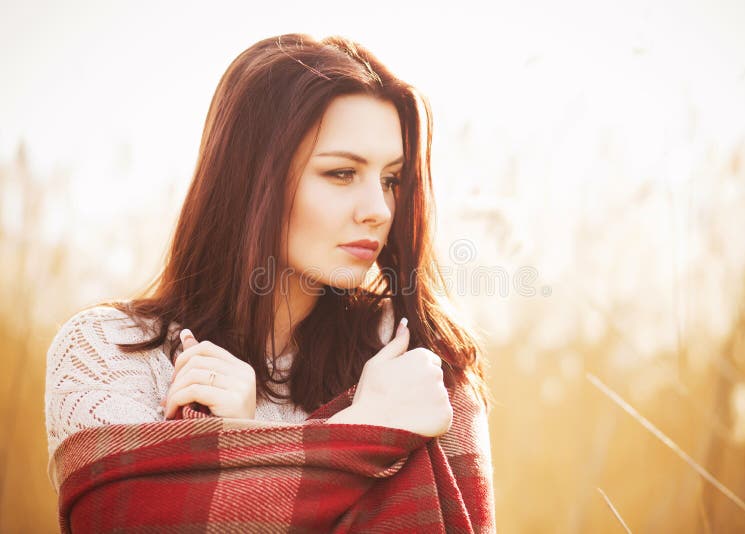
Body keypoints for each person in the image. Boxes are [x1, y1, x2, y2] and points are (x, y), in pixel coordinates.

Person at [45, 33, 495, 531]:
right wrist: (363, 431)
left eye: (391, 179)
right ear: (252, 177)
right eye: (342, 173)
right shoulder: (108, 352)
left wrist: (248, 453)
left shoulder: (418, 360)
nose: (378, 210)